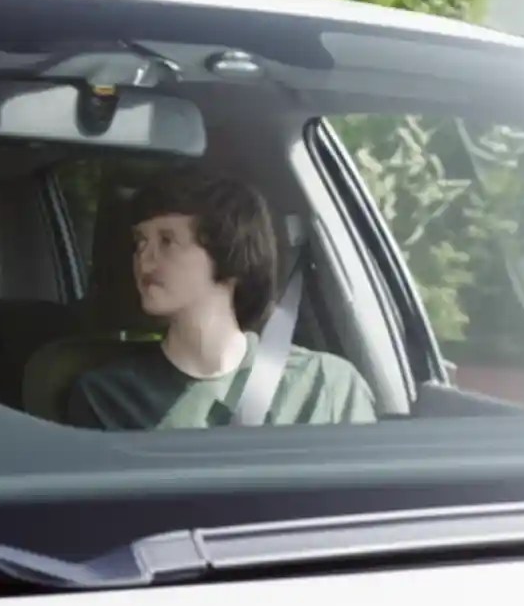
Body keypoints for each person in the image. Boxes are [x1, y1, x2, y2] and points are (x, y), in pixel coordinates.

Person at [65, 166, 377, 431]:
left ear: (229, 253)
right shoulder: (107, 397)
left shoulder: (326, 385)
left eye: (167, 240)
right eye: (140, 242)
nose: (143, 261)